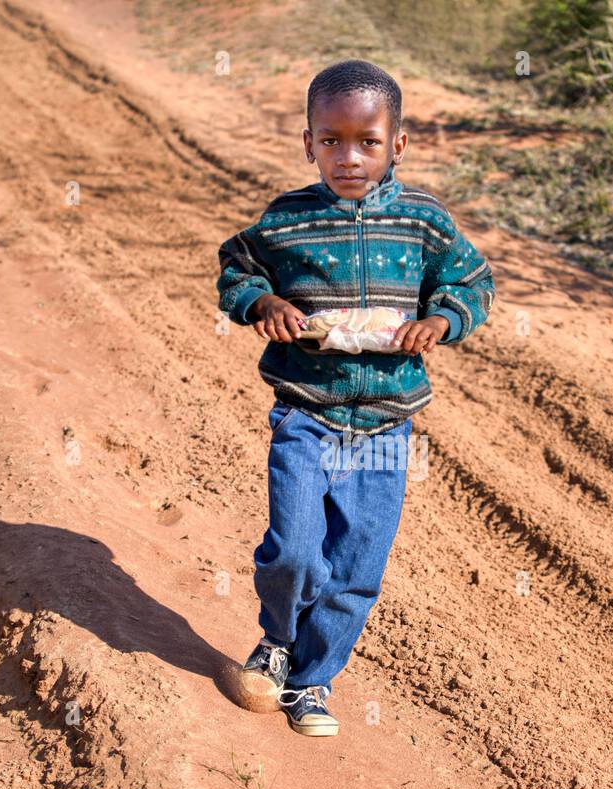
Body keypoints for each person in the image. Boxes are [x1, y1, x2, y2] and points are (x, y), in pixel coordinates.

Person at [215, 59, 496, 736]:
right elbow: (237, 269)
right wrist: (263, 303)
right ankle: (277, 641)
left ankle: (312, 682)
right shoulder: (287, 220)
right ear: (307, 142)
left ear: (397, 144)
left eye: (367, 141)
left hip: (386, 425)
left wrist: (443, 319)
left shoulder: (424, 221)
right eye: (331, 140)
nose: (348, 157)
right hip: (306, 408)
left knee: (357, 565)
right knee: (295, 550)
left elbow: (471, 281)